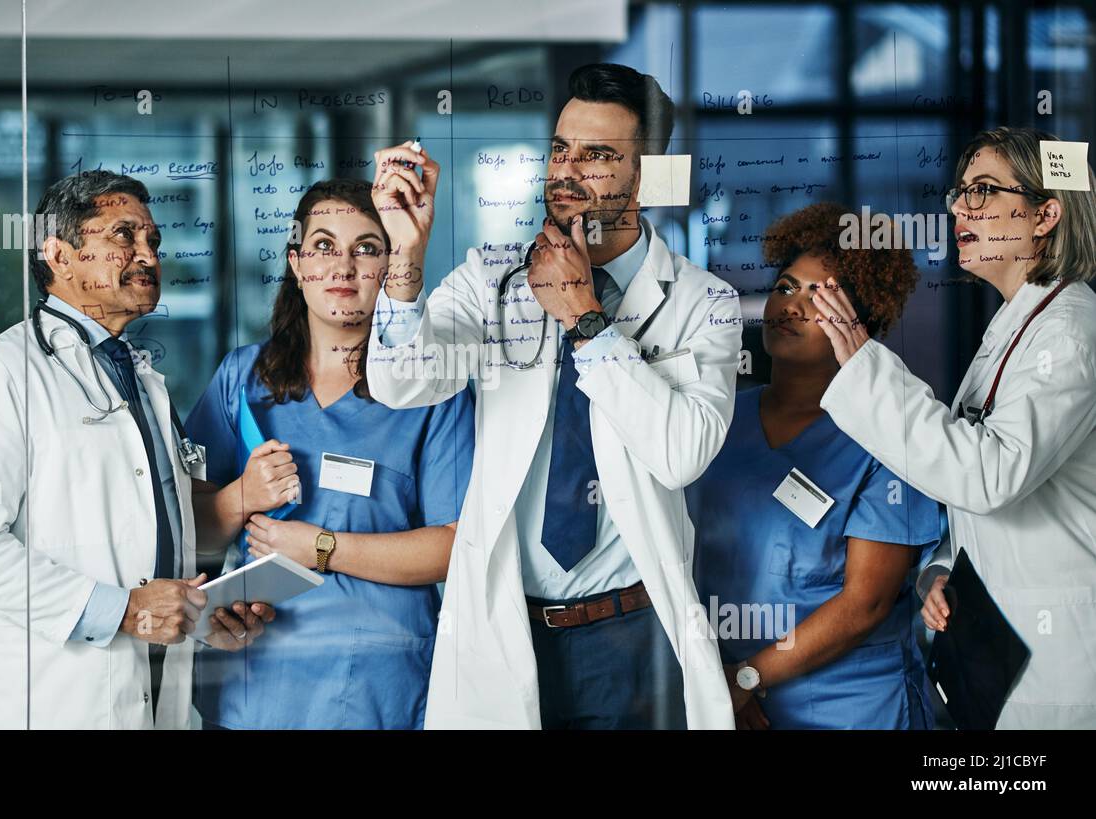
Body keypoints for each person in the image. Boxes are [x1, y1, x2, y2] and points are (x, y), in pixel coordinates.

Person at [366, 63, 742, 729]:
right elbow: (401, 380)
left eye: (597, 155)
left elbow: (682, 452)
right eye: (560, 149)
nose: (566, 170)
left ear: (648, 174)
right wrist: (404, 259)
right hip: (508, 625)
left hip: (630, 638)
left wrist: (586, 322)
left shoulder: (701, 301)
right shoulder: (493, 275)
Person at [0, 171, 269, 729]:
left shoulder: (140, 380)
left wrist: (203, 621)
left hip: (157, 694)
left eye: (152, 241)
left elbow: (142, 535)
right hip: (54, 700)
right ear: (59, 255)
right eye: (122, 236)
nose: (146, 255)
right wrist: (125, 611)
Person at [812, 126, 1096, 729]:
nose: (961, 207)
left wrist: (868, 369)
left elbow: (990, 475)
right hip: (995, 651)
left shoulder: (1069, 331)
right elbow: (993, 480)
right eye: (961, 191)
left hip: (1057, 664)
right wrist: (942, 566)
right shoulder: (1019, 323)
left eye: (986, 190)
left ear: (1046, 213)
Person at [185, 179, 474, 729]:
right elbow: (192, 533)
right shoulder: (241, 380)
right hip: (257, 680)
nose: (342, 268)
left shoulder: (434, 387)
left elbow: (454, 547)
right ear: (297, 265)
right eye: (323, 246)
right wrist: (241, 497)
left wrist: (319, 547)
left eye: (366, 248)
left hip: (377, 684)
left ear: (390, 267)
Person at [686, 202, 942, 729]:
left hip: (851, 707)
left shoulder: (883, 438)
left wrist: (745, 679)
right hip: (727, 699)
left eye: (819, 297)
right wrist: (717, 682)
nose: (791, 307)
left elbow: (863, 606)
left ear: (860, 325)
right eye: (785, 287)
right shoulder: (717, 421)